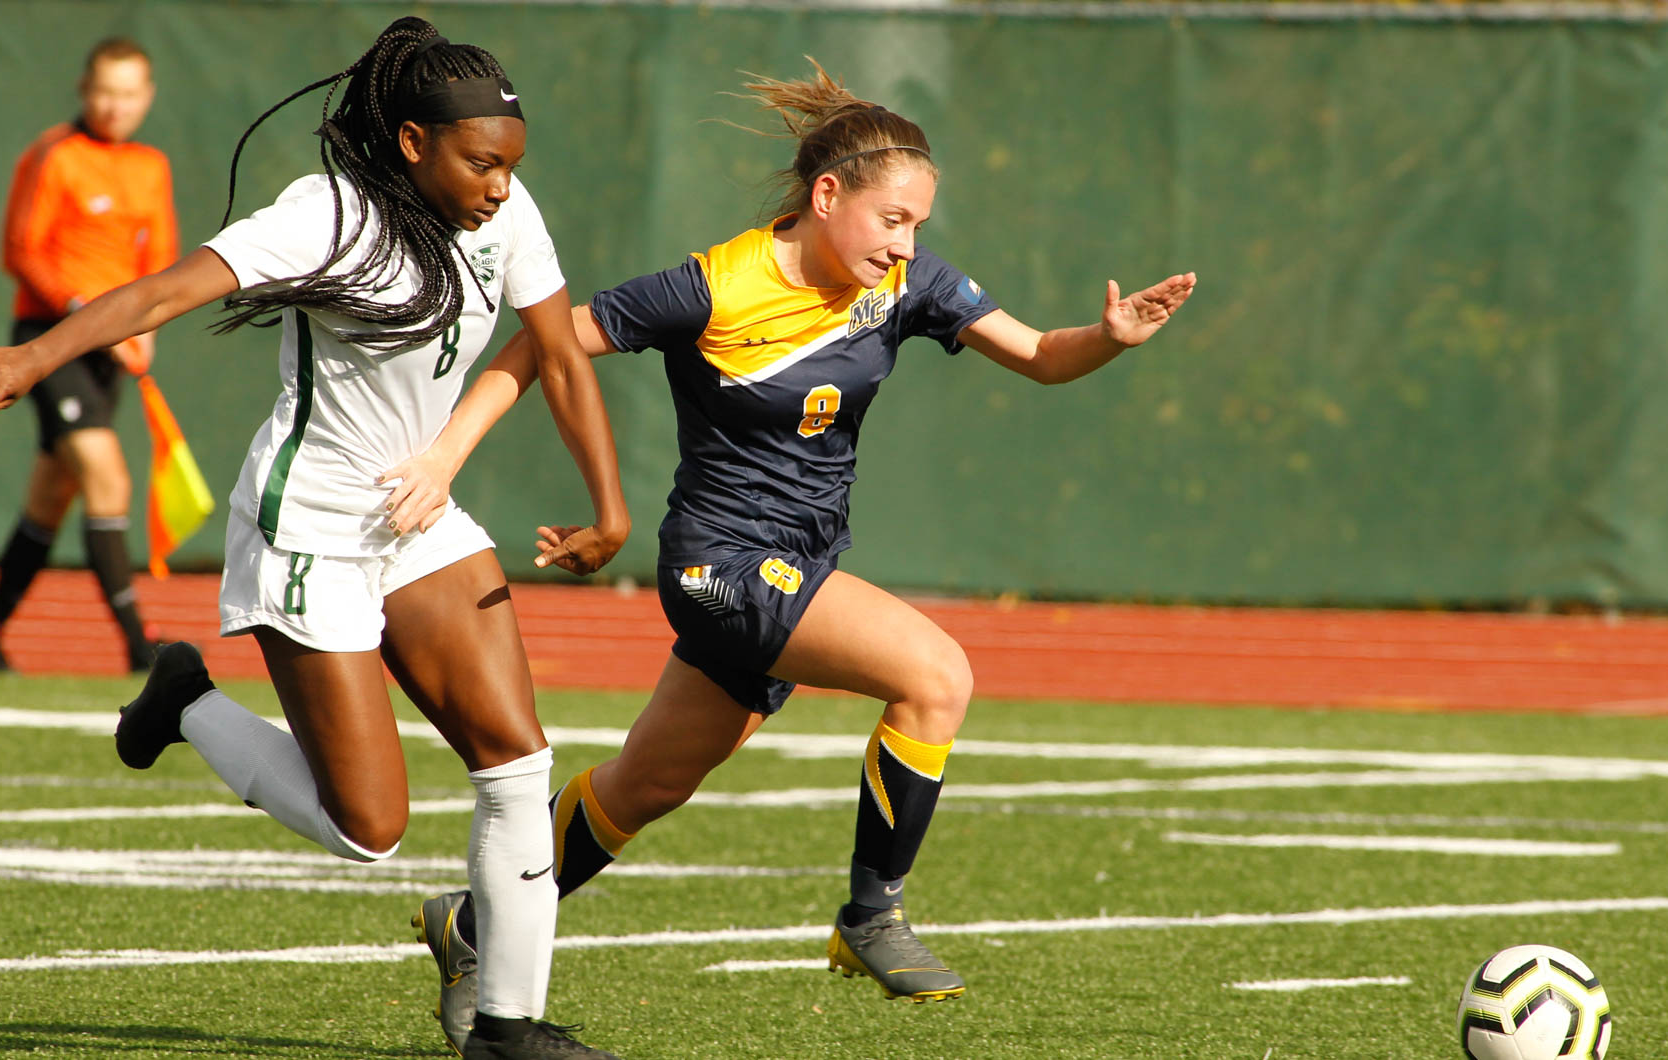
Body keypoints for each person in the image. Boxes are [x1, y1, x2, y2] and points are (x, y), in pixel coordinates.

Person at [429, 59, 1197, 1009]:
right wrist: (444, 456)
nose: (907, 242)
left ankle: (471, 921)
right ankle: (871, 914)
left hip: (800, 561)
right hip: (722, 563)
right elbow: (541, 344)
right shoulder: (714, 287)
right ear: (827, 195)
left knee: (646, 785)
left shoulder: (906, 284)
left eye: (917, 223)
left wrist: (1108, 336)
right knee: (936, 675)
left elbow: (1040, 356)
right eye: (892, 219)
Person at [0, 17, 631, 1060]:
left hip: (418, 512)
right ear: (411, 143)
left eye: (509, 165)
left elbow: (559, 355)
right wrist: (37, 356)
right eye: (480, 162)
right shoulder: (330, 216)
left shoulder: (506, 209)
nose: (499, 185)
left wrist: (610, 507)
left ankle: (506, 1026)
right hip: (309, 523)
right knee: (370, 827)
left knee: (517, 764)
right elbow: (171, 287)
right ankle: (186, 698)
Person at [0, 37, 179, 674]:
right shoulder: (55, 155)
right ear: (85, 91)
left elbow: (160, 263)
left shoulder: (151, 166)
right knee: (108, 478)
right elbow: (21, 251)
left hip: (113, 354)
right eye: (105, 91)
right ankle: (139, 648)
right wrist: (86, 307)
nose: (116, 105)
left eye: (129, 93)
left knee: (50, 498)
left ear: (147, 98)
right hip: (52, 342)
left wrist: (145, 332)